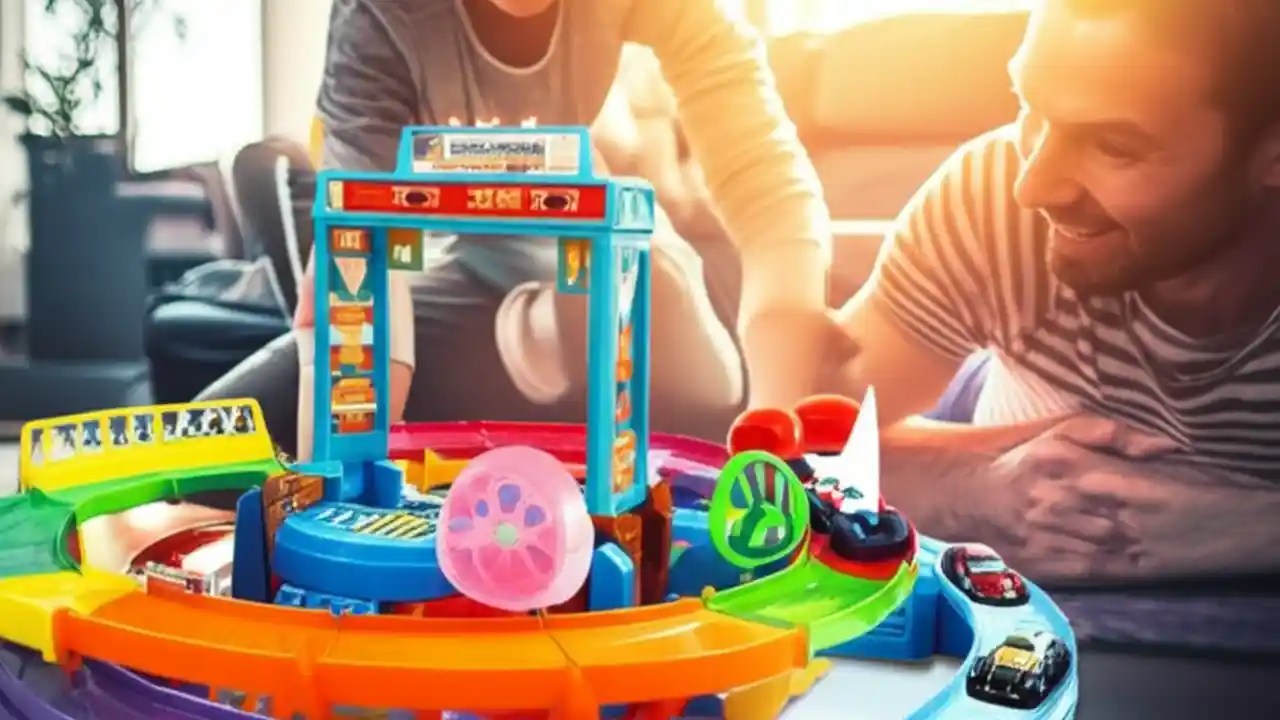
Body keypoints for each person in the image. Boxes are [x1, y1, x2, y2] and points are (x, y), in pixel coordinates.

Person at [199, 0, 844, 456]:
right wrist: (336, 509)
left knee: (706, 379)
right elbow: (356, 255)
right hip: (457, 277)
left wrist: (776, 443)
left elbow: (769, 186)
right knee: (226, 440)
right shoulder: (378, 17)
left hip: (594, 270)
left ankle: (559, 317)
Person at [833, 0, 1280, 595]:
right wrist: (974, 490)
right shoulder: (990, 201)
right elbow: (788, 451)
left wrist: (1245, 529)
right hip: (982, 455)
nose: (1033, 186)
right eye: (1029, 109)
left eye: (1115, 147)